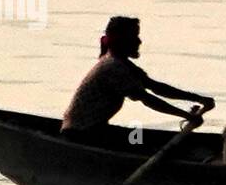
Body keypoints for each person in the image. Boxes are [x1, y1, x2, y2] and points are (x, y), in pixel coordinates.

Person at [60, 16, 215, 146]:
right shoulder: (113, 67)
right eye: (134, 37)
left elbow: (157, 88)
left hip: (95, 131)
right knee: (142, 142)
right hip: (82, 135)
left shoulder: (123, 64)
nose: (139, 41)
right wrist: (187, 116)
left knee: (141, 138)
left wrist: (198, 99)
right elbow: (148, 99)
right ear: (121, 41)